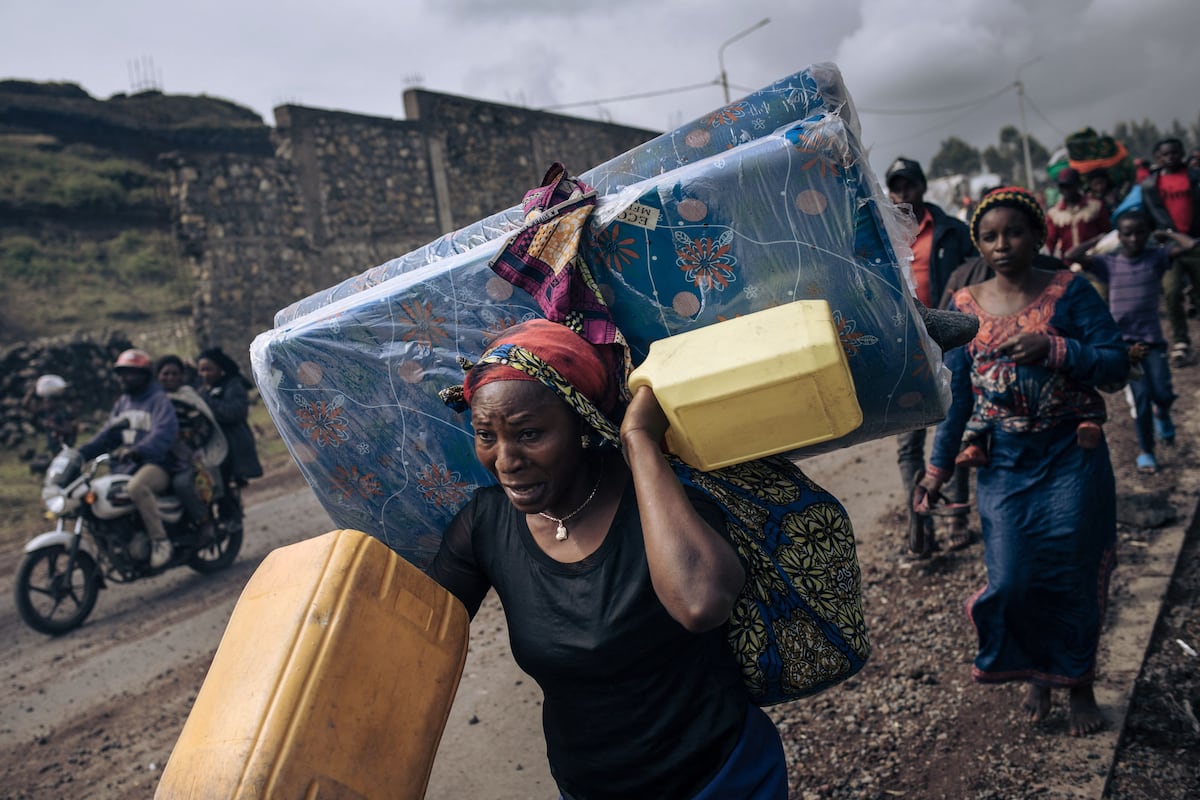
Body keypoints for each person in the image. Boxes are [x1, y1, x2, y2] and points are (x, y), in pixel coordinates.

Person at [428, 319, 787, 799]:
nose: (506, 461)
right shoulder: (485, 524)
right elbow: (416, 637)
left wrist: (637, 439)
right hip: (589, 787)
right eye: (486, 436)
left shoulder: (659, 492)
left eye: (529, 434)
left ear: (580, 422)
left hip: (721, 776)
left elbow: (701, 604)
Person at [914, 187, 1129, 737]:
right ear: (978, 245)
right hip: (1004, 463)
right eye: (989, 236)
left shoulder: (1071, 292)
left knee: (1071, 576)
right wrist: (937, 471)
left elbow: (1115, 365)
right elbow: (958, 396)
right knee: (1013, 578)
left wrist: (1055, 349)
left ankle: (1077, 682)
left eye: (1014, 233)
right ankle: (1038, 669)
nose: (1002, 244)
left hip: (1071, 457)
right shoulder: (963, 306)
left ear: (1038, 236)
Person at [885, 156, 977, 555]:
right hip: (906, 350)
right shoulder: (881, 233)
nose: (903, 193)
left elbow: (974, 277)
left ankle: (956, 516)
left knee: (953, 431)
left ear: (923, 186)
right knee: (909, 443)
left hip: (950, 345)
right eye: (896, 186)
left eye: (909, 184)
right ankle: (920, 527)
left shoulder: (952, 231)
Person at [1065, 212, 1197, 474]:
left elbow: (1190, 245)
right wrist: (1100, 238)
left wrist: (1166, 234)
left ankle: (1163, 413)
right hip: (1123, 346)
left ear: (1147, 234)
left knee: (1162, 393)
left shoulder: (1156, 258)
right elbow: (1072, 255)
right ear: (1120, 236)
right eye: (1127, 233)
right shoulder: (1109, 263)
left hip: (1152, 342)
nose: (1134, 238)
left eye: (1139, 233)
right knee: (1141, 398)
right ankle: (1147, 451)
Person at [78, 349, 181, 569]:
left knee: (136, 487)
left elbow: (164, 432)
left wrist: (138, 450)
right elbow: (107, 436)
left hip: (157, 464)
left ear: (144, 375)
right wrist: (80, 454)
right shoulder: (123, 404)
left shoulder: (158, 400)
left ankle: (160, 542)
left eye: (130, 373)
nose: (123, 378)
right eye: (121, 373)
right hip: (127, 466)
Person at [1140, 137, 1200, 366]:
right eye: (1165, 154)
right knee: (1172, 292)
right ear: (1158, 157)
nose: (1170, 158)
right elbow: (1147, 216)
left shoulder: (1194, 178)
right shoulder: (1149, 185)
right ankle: (1181, 341)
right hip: (1167, 247)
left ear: (1181, 153)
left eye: (1174, 153)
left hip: (1195, 242)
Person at [156, 355, 228, 541]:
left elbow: (204, 427)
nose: (170, 377)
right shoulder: (152, 401)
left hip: (188, 458)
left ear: (182, 376)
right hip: (160, 458)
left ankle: (204, 521)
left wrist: (186, 444)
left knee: (182, 484)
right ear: (158, 376)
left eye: (175, 374)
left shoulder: (188, 397)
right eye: (166, 374)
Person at [196, 347, 263, 524]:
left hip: (233, 445)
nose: (204, 374)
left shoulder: (233, 386)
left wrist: (207, 402)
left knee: (222, 481)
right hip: (213, 445)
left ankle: (231, 517)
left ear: (221, 369)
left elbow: (234, 413)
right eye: (201, 370)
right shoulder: (204, 391)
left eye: (208, 369)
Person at [1044, 167, 1111, 264]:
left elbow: (1106, 234)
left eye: (1069, 185)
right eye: (1062, 186)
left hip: (1093, 261)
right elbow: (1050, 243)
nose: (1066, 190)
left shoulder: (1096, 206)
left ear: (1077, 185)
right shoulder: (1054, 214)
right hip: (1068, 265)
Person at [21, 374, 78, 467]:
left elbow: (69, 429)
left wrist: (52, 426)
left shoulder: (62, 413)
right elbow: (25, 406)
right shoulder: (45, 413)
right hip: (53, 447)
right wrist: (31, 392)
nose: (45, 403)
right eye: (44, 401)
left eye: (48, 401)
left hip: (64, 447)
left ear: (54, 402)